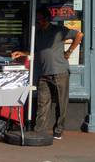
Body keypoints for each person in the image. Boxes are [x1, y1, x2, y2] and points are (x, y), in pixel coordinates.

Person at [13, 8, 82, 140]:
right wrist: (23, 53)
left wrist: (69, 52)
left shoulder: (58, 30)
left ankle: (58, 130)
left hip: (60, 71)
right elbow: (35, 51)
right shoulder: (37, 33)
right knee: (42, 102)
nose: (37, 22)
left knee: (61, 103)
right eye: (36, 20)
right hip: (43, 72)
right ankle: (39, 130)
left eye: (39, 19)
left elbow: (79, 35)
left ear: (46, 19)